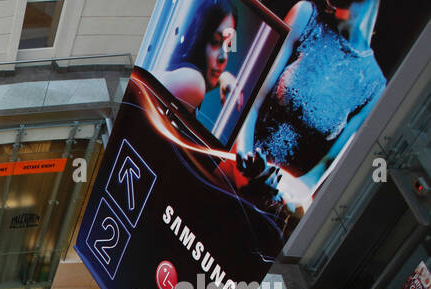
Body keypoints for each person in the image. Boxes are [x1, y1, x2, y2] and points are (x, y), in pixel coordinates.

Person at [227, 0, 387, 224]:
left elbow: (319, 172)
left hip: (269, 214)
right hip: (230, 172)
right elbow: (252, 99)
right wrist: (243, 157)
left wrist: (281, 191)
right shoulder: (306, 16)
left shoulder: (374, 85)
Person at [155, 0, 239, 111]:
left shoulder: (188, 75)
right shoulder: (194, 81)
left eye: (228, 46)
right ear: (200, 38)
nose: (223, 57)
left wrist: (221, 78)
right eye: (215, 41)